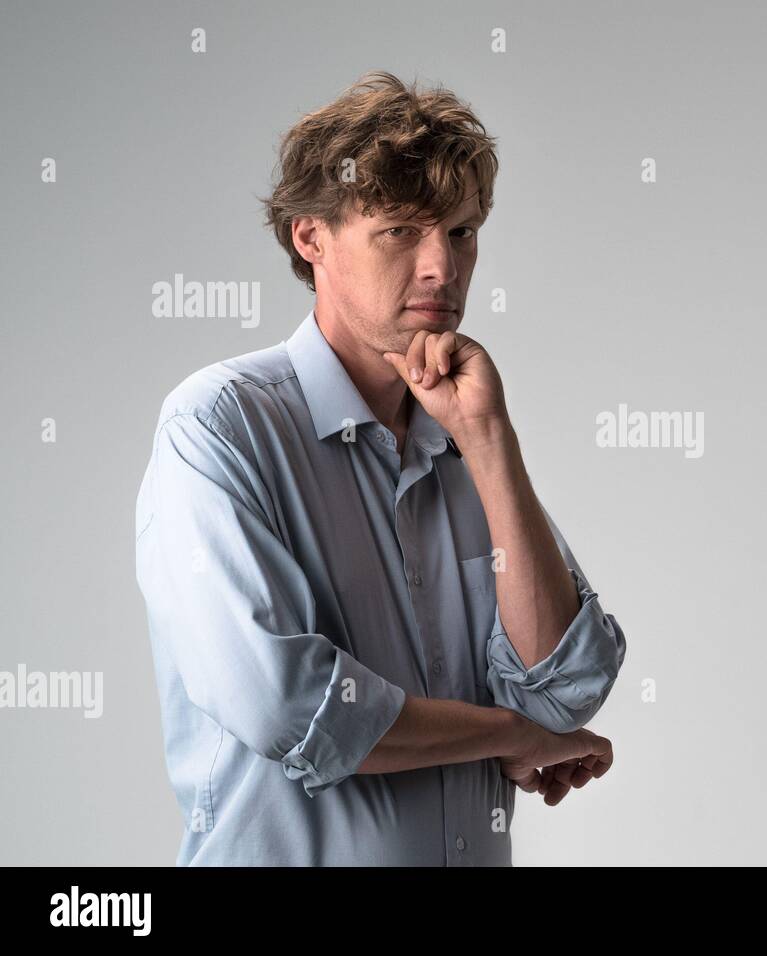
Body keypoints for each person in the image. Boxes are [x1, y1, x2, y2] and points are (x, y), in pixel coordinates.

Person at [133, 71, 627, 866]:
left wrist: (492, 441)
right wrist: (508, 732)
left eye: (463, 232)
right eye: (401, 229)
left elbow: (564, 690)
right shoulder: (219, 424)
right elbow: (288, 706)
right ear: (311, 236)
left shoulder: (465, 436)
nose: (443, 267)